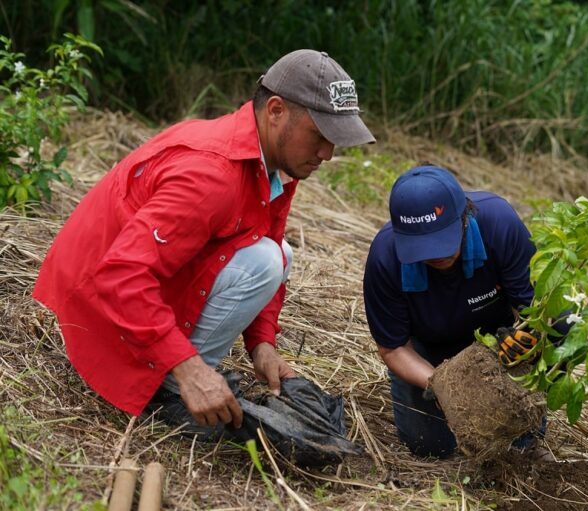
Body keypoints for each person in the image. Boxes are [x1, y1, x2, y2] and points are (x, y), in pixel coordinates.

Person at [33, 49, 375, 438]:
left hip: (123, 288)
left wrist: (262, 343)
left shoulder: (277, 163)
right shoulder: (210, 175)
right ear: (276, 111)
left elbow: (271, 238)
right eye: (320, 135)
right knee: (265, 260)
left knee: (276, 254)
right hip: (93, 309)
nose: (327, 154)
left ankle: (175, 370)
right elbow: (121, 273)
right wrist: (188, 367)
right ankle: (170, 388)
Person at [363, 164, 566, 458]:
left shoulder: (499, 224)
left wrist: (528, 340)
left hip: (497, 341)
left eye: (443, 241)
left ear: (465, 216)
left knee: (564, 322)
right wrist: (443, 385)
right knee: (430, 447)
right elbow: (393, 347)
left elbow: (537, 308)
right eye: (424, 247)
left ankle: (528, 425)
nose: (437, 255)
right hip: (428, 351)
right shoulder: (386, 258)